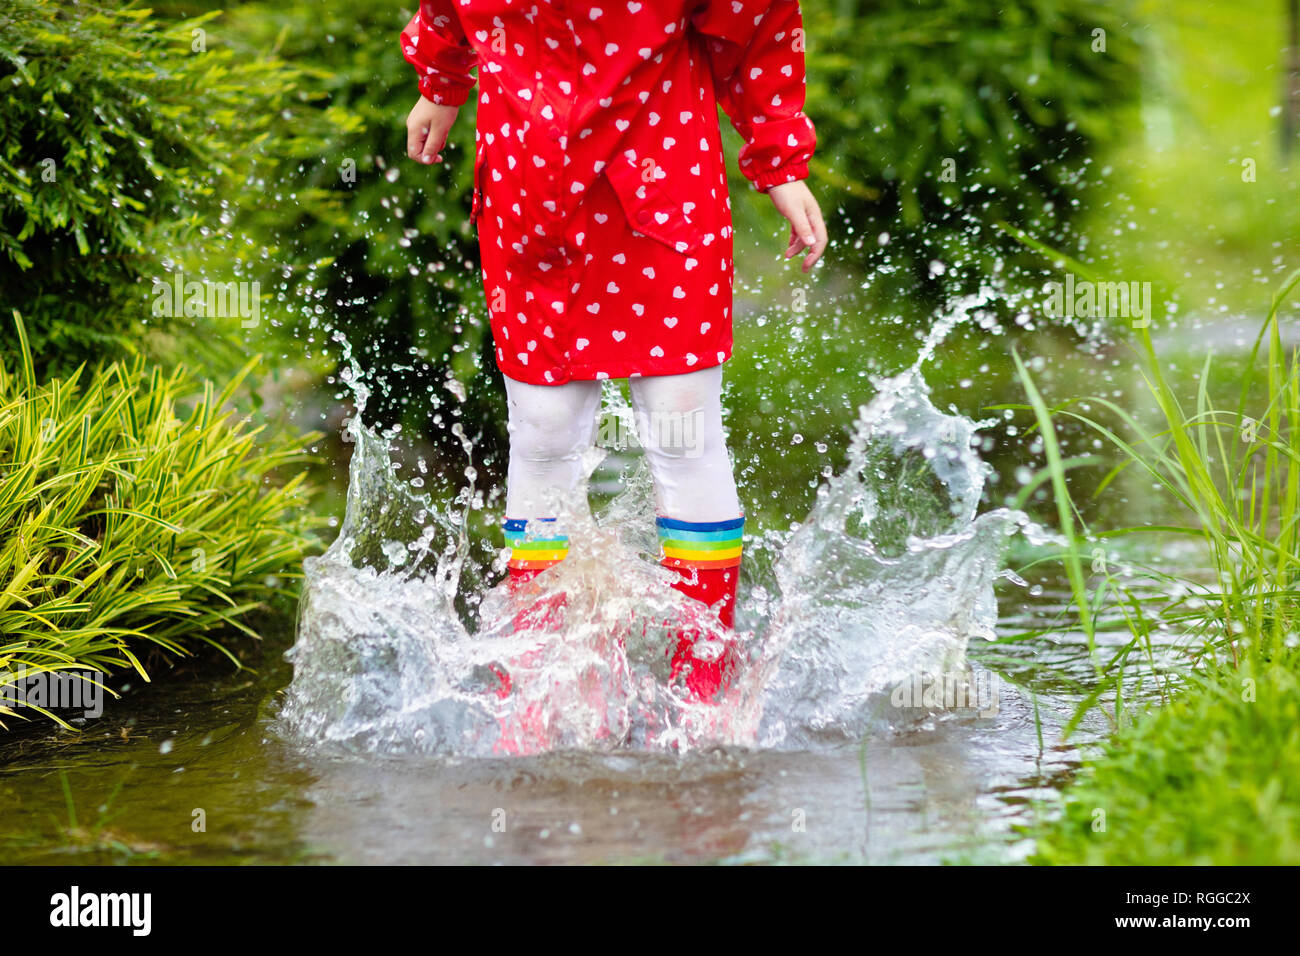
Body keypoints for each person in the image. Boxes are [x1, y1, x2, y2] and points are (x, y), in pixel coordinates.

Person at [401, 0, 828, 701]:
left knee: (684, 431)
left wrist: (778, 155)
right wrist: (441, 81)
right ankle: (539, 684)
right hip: (529, 197)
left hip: (662, 186)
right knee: (541, 438)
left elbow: (754, 19)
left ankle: (705, 685)